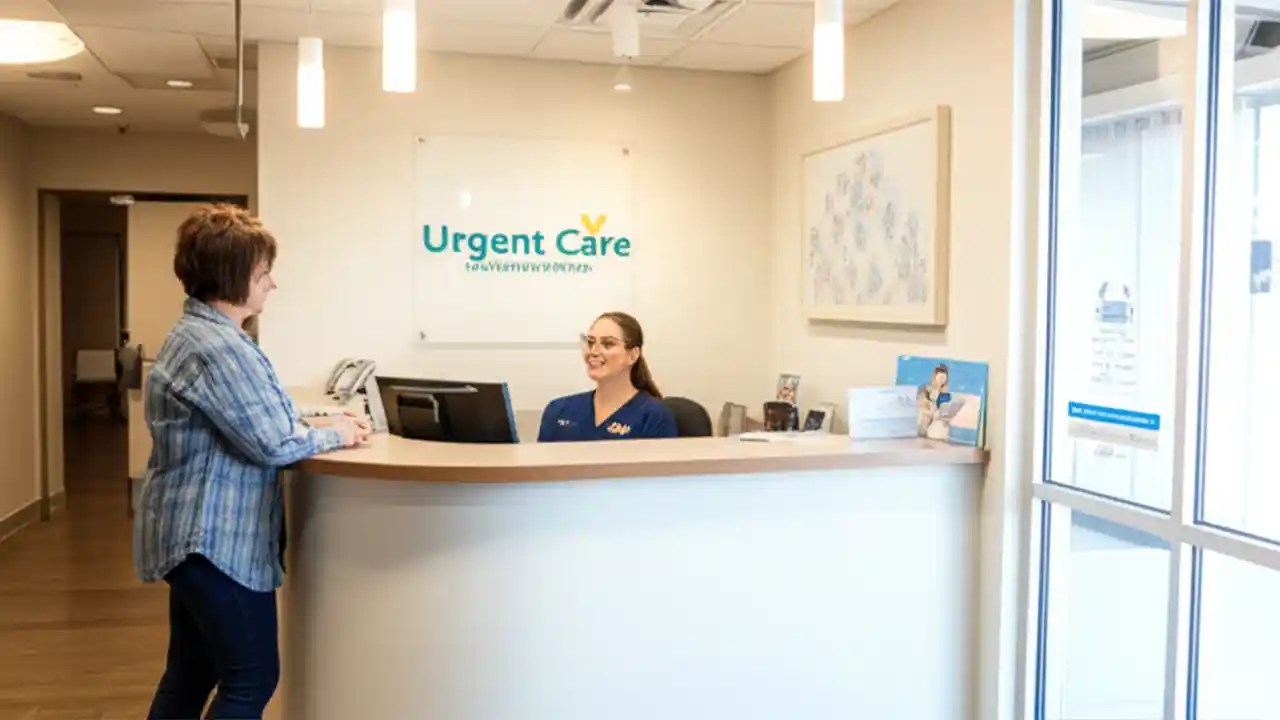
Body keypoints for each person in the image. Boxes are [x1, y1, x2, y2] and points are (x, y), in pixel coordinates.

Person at [133, 204, 371, 719]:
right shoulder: (219, 347)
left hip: (192, 537)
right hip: (215, 539)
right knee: (251, 678)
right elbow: (273, 443)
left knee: (191, 672)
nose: (271, 286)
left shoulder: (200, 335)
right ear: (233, 277)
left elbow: (259, 418)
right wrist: (337, 432)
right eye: (264, 274)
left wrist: (317, 424)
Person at [538, 311, 677, 442]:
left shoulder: (654, 416)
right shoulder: (558, 410)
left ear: (633, 355)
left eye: (608, 344)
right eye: (591, 342)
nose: (594, 351)